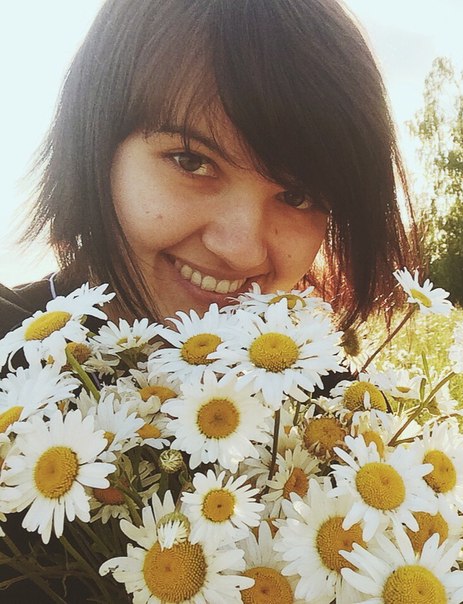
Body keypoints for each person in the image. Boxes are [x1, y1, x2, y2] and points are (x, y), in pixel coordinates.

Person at [0, 0, 419, 599]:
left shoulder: (335, 423)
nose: (242, 249)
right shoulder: (11, 358)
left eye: (297, 196)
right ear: (96, 147)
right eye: (192, 161)